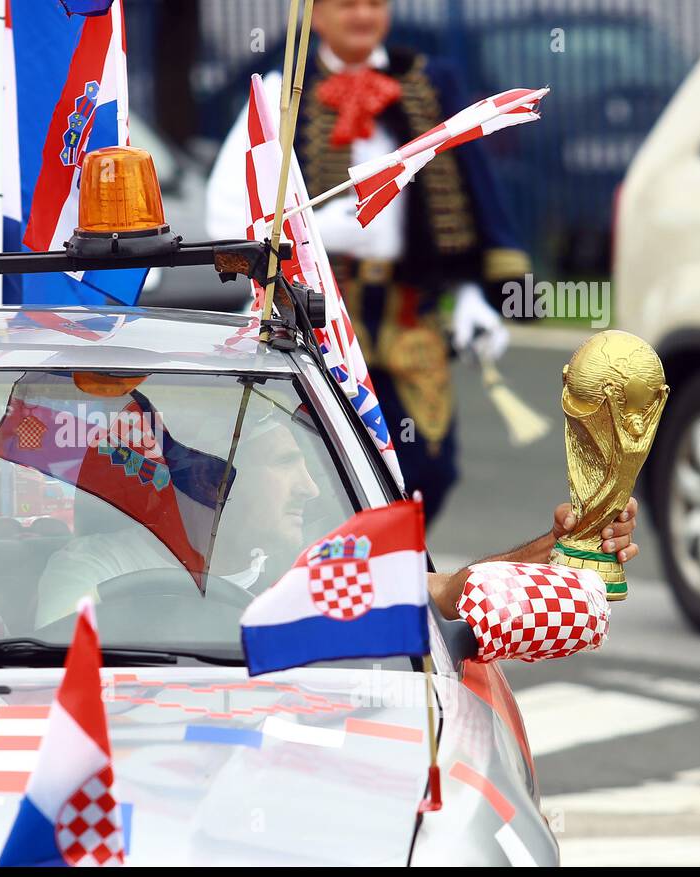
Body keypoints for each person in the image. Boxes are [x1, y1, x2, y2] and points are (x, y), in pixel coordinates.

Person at [206, 0, 534, 521]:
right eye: (347, 5)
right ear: (315, 16)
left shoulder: (428, 80)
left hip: (409, 305)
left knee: (430, 462)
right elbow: (233, 204)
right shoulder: (284, 88)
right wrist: (313, 231)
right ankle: (351, 558)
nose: (362, 16)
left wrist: (475, 291)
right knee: (334, 452)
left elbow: (473, 183)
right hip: (325, 306)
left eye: (374, 4)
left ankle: (401, 557)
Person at [34, 407, 640, 629]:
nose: (305, 487)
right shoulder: (91, 569)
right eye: (281, 464)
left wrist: (566, 544)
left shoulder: (308, 575)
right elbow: (61, 693)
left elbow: (446, 591)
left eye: (306, 467)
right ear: (216, 485)